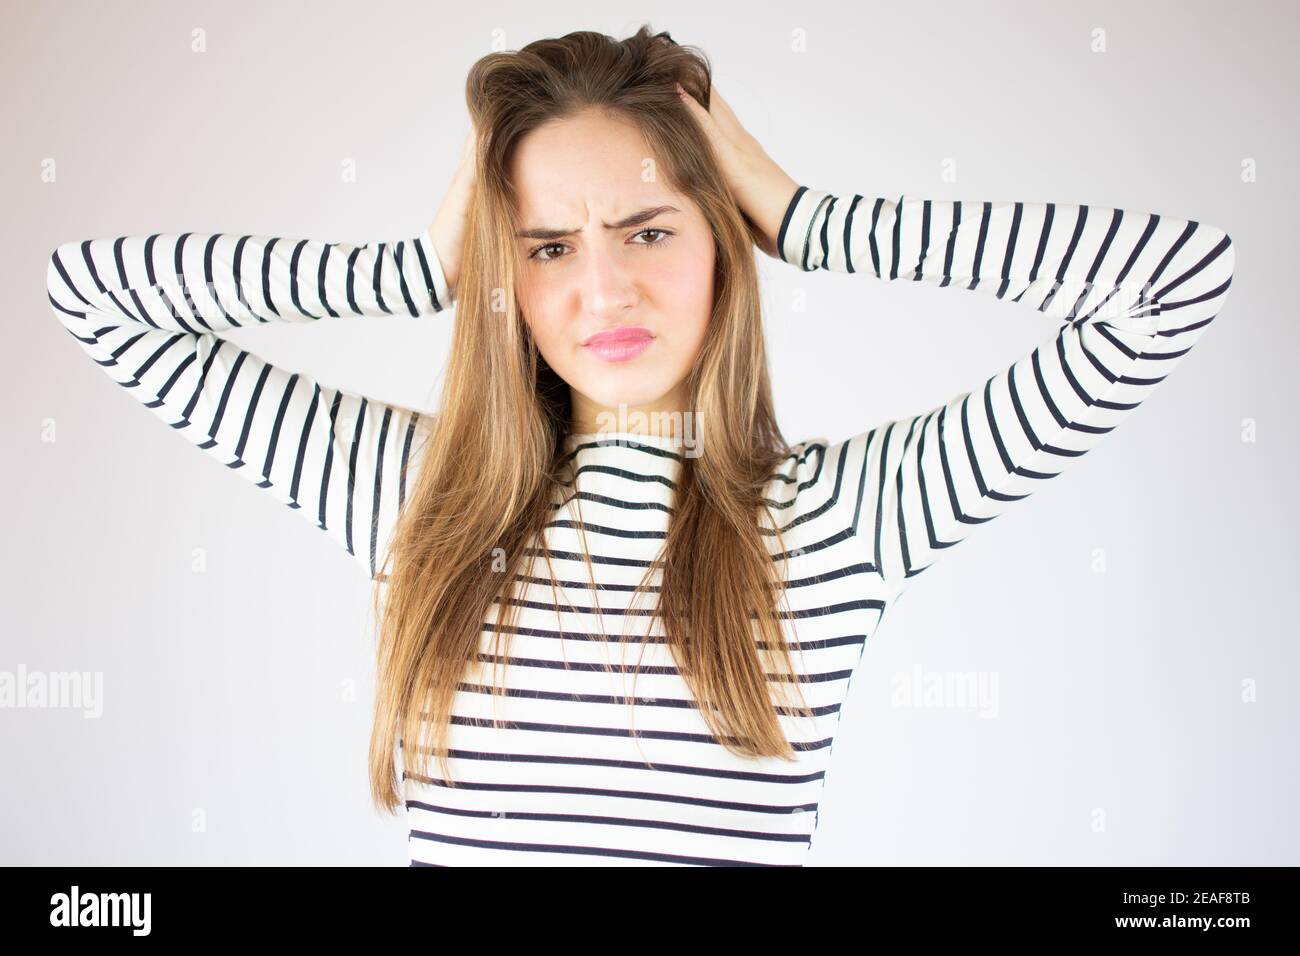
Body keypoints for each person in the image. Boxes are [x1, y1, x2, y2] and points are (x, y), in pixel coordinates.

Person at [44, 25, 1236, 866]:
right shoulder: (414, 497)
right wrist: (415, 269)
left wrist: (800, 212)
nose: (602, 286)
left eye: (649, 228)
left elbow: (1171, 282)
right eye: (548, 244)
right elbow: (90, 293)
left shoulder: (840, 517)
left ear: (722, 238)